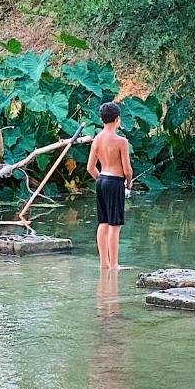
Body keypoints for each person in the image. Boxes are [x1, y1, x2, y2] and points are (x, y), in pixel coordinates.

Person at [86, 101, 133, 269]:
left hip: (101, 181)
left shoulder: (96, 140)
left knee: (103, 223)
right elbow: (127, 170)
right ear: (117, 119)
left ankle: (103, 263)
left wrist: (101, 179)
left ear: (101, 119)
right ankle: (114, 265)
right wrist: (129, 183)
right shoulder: (121, 142)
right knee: (114, 225)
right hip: (115, 182)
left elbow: (90, 167)